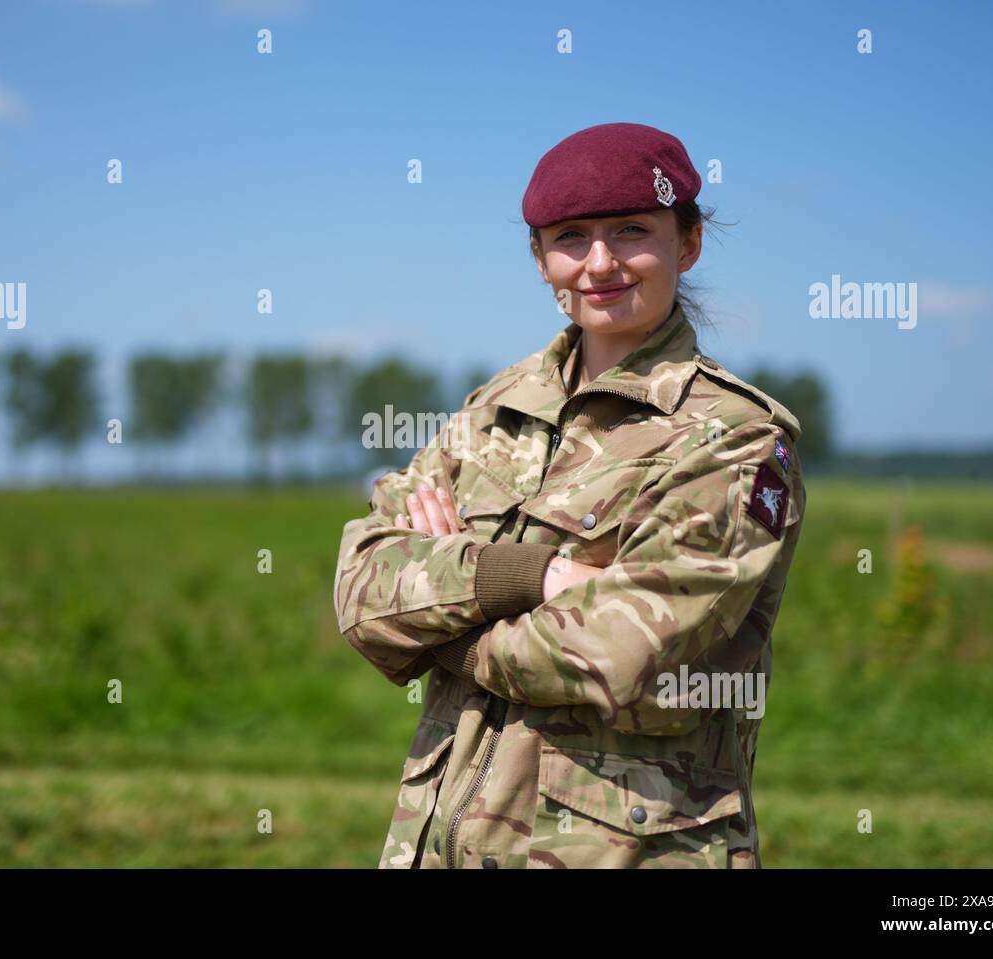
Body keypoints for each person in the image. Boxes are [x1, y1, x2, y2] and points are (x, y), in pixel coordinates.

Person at [333, 122, 807, 869]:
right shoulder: (495, 408)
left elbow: (623, 653)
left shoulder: (733, 440)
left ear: (687, 244)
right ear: (539, 257)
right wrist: (535, 576)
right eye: (571, 236)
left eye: (630, 231)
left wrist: (440, 626)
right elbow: (361, 588)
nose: (600, 262)